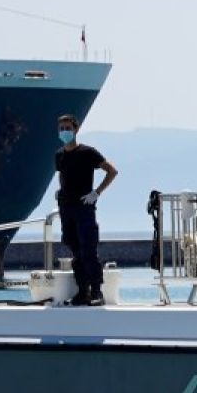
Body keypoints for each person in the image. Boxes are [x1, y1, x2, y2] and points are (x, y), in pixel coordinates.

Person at [55, 114, 118, 306]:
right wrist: (60, 192)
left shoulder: (88, 152)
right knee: (76, 252)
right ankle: (83, 292)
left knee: (88, 250)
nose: (65, 132)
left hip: (84, 207)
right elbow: (63, 176)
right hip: (66, 208)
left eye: (68, 128)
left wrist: (96, 193)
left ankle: (97, 291)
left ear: (76, 129)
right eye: (62, 129)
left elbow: (112, 171)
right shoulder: (59, 155)